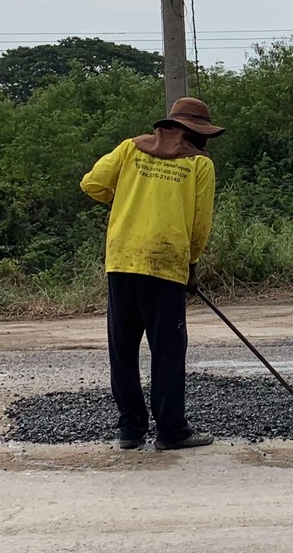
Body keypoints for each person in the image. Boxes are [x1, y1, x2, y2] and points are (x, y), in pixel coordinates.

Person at [81, 98, 223, 450]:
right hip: (166, 265)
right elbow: (199, 225)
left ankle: (130, 431)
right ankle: (171, 432)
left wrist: (128, 197)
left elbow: (92, 184)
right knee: (168, 353)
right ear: (197, 133)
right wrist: (191, 266)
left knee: (123, 351)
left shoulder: (131, 148)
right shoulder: (199, 164)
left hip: (122, 262)